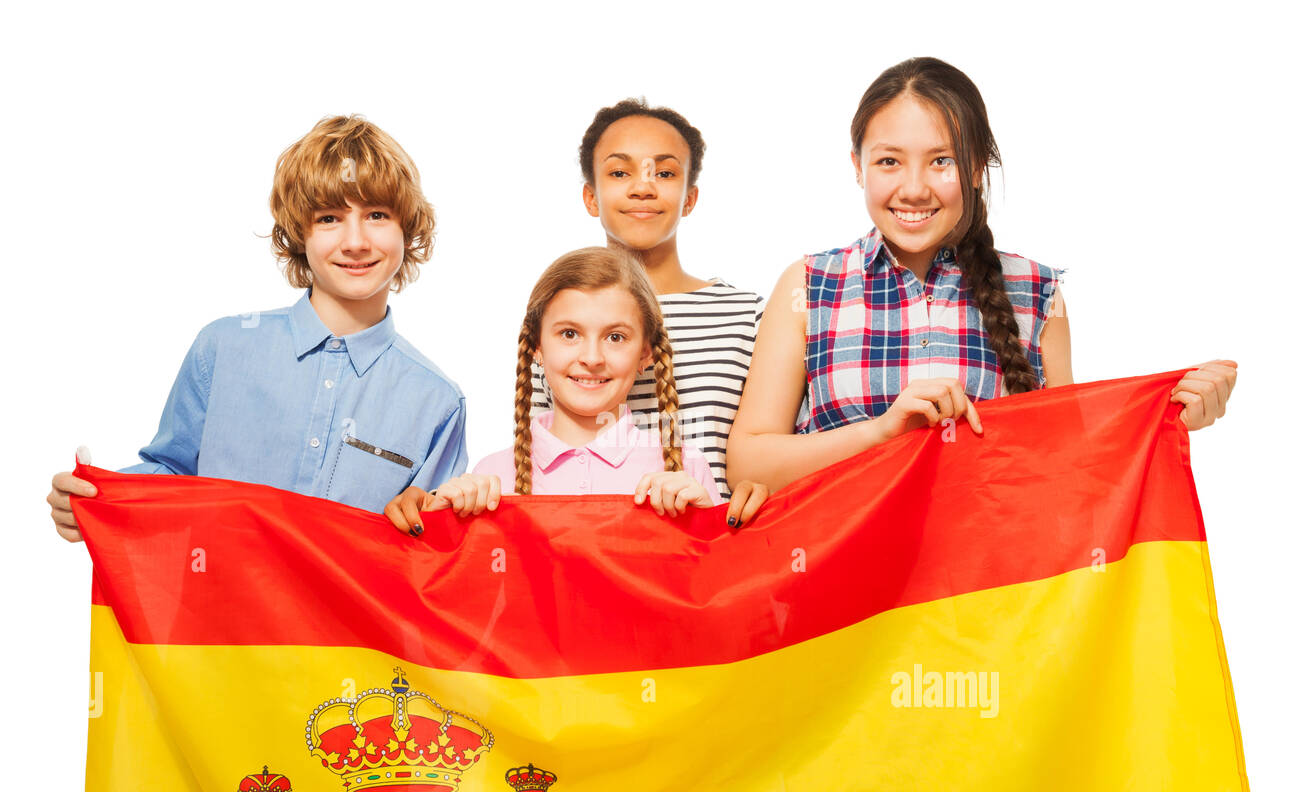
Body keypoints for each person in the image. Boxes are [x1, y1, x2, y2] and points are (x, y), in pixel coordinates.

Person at [727, 57, 1238, 492]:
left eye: (941, 161)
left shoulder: (1036, 294)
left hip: (982, 600)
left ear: (975, 170)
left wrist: (1168, 420)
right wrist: (882, 433)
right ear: (857, 166)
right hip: (841, 601)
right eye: (888, 161)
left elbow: (1070, 472)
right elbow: (750, 466)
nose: (914, 188)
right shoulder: (810, 285)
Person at [48, 115, 468, 540]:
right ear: (299, 231)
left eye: (377, 214)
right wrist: (96, 501)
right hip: (214, 603)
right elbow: (173, 474)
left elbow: (432, 548)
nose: (355, 241)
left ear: (406, 229)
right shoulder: (222, 348)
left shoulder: (438, 403)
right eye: (328, 218)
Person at [385, 247, 767, 531]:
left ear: (645, 353)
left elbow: (724, 596)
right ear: (536, 344)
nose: (592, 357)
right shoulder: (492, 477)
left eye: (615, 337)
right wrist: (445, 519)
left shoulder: (687, 469)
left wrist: (707, 523)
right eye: (570, 334)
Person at [530, 97, 766, 504]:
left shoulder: (747, 317)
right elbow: (541, 463)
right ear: (591, 196)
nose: (643, 187)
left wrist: (761, 491)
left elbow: (767, 451)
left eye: (665, 172)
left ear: (690, 198)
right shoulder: (562, 322)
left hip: (710, 547)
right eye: (620, 171)